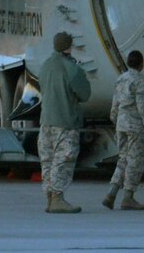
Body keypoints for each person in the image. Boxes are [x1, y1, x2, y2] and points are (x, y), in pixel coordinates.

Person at [39, 31, 91, 214]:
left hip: (46, 122)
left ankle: (49, 197)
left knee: (48, 161)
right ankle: (58, 198)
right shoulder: (72, 69)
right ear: (69, 46)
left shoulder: (45, 66)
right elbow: (85, 94)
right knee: (64, 160)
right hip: (65, 121)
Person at [103, 50, 144, 211]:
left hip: (121, 124)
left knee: (123, 159)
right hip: (135, 127)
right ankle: (128, 197)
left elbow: (114, 106)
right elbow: (143, 107)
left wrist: (116, 120)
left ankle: (111, 193)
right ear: (142, 64)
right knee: (135, 161)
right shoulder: (140, 81)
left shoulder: (121, 79)